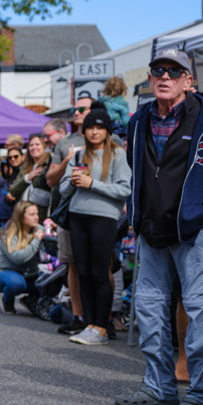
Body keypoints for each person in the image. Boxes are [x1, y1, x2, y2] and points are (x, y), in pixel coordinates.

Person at [116, 48, 203, 405]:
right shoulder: (139, 120)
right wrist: (138, 218)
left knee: (200, 312)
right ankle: (159, 387)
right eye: (158, 69)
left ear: (189, 81)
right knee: (149, 309)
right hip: (151, 231)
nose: (165, 76)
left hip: (195, 234)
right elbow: (139, 169)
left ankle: (202, 395)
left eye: (174, 72)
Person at [60, 108, 130, 346]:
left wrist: (93, 184)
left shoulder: (119, 155)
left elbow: (125, 189)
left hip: (104, 218)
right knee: (84, 272)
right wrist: (72, 180)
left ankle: (101, 326)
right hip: (77, 216)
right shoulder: (80, 154)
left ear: (107, 131)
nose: (95, 132)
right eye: (90, 127)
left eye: (100, 127)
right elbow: (62, 190)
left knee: (101, 273)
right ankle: (90, 324)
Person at [45, 100, 92, 335]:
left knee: (102, 266)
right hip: (69, 212)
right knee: (73, 265)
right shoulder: (65, 143)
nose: (76, 112)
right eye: (75, 109)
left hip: (97, 211)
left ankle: (104, 318)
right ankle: (78, 315)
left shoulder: (110, 140)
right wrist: (68, 161)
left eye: (82, 109)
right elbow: (50, 180)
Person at [0, 201, 44, 315]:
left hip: (30, 275)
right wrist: (36, 240)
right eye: (32, 215)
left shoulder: (39, 229)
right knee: (16, 284)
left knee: (50, 279)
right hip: (6, 273)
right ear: (21, 217)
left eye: (37, 214)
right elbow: (19, 258)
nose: (36, 217)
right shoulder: (9, 235)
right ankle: (7, 300)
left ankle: (31, 299)